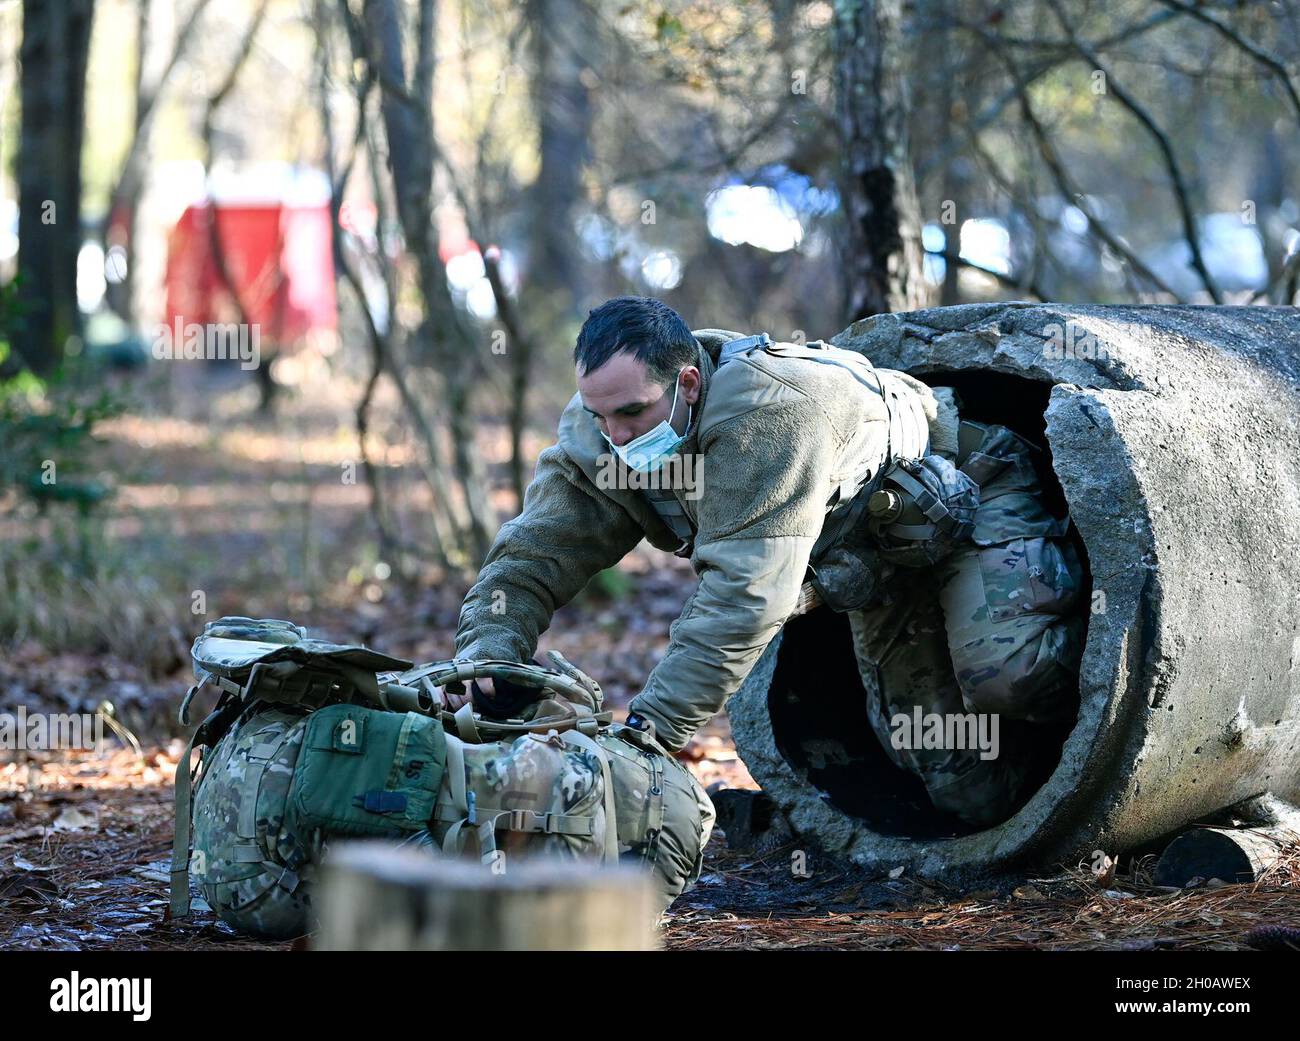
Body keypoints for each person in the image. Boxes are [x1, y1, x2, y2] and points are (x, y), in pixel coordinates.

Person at [455, 296, 1084, 827]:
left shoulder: (771, 411)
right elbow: (534, 552)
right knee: (960, 781)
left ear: (689, 385)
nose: (615, 437)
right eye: (598, 415)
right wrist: (489, 652)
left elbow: (743, 599)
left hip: (972, 496)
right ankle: (1047, 764)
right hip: (877, 559)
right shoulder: (603, 432)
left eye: (632, 414)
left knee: (1010, 676)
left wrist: (647, 739)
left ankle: (1092, 638)